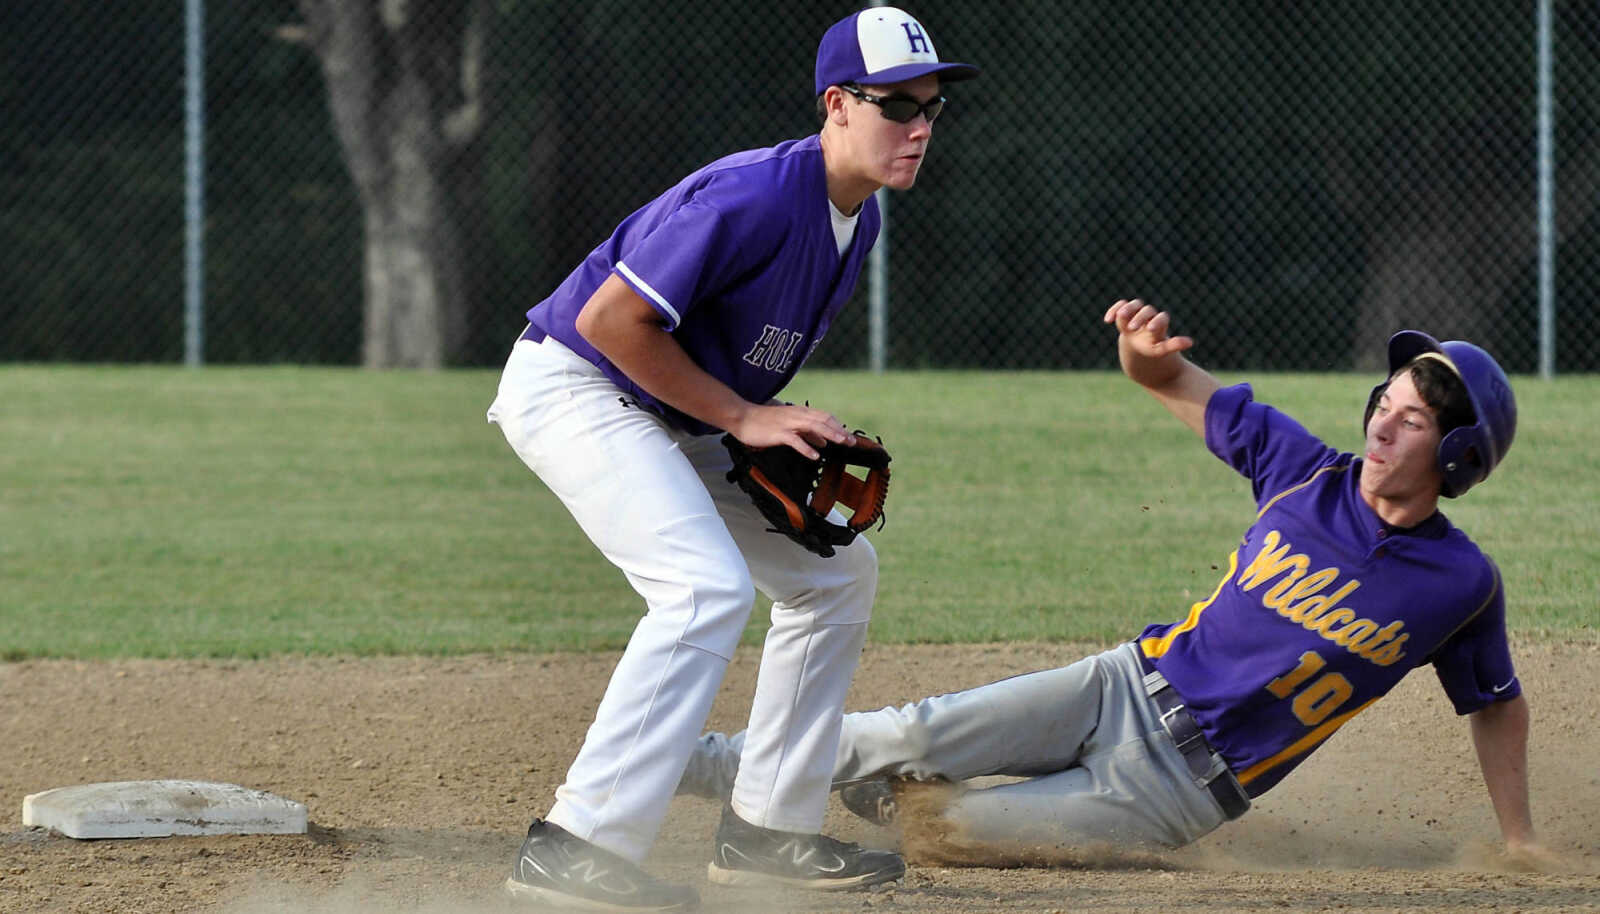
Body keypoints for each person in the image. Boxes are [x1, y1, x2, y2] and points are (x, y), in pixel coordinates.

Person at [678, 299, 1550, 867]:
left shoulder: (1460, 585)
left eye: (1413, 419)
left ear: (1460, 456)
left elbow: (1495, 701)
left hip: (1174, 793)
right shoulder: (1301, 471)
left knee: (950, 832)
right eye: (1384, 403)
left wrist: (1517, 839)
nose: (1383, 425)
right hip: (1120, 685)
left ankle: (901, 789)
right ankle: (687, 763)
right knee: (905, 729)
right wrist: (1142, 353)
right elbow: (1168, 377)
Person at [485, 7, 978, 910]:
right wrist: (745, 416)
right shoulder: (753, 195)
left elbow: (724, 364)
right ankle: (575, 846)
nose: (919, 128)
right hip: (577, 387)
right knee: (702, 588)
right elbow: (609, 323)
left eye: (932, 109)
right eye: (897, 106)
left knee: (835, 576)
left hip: (673, 411)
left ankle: (766, 835)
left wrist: (762, 421)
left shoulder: (855, 219)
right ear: (837, 103)